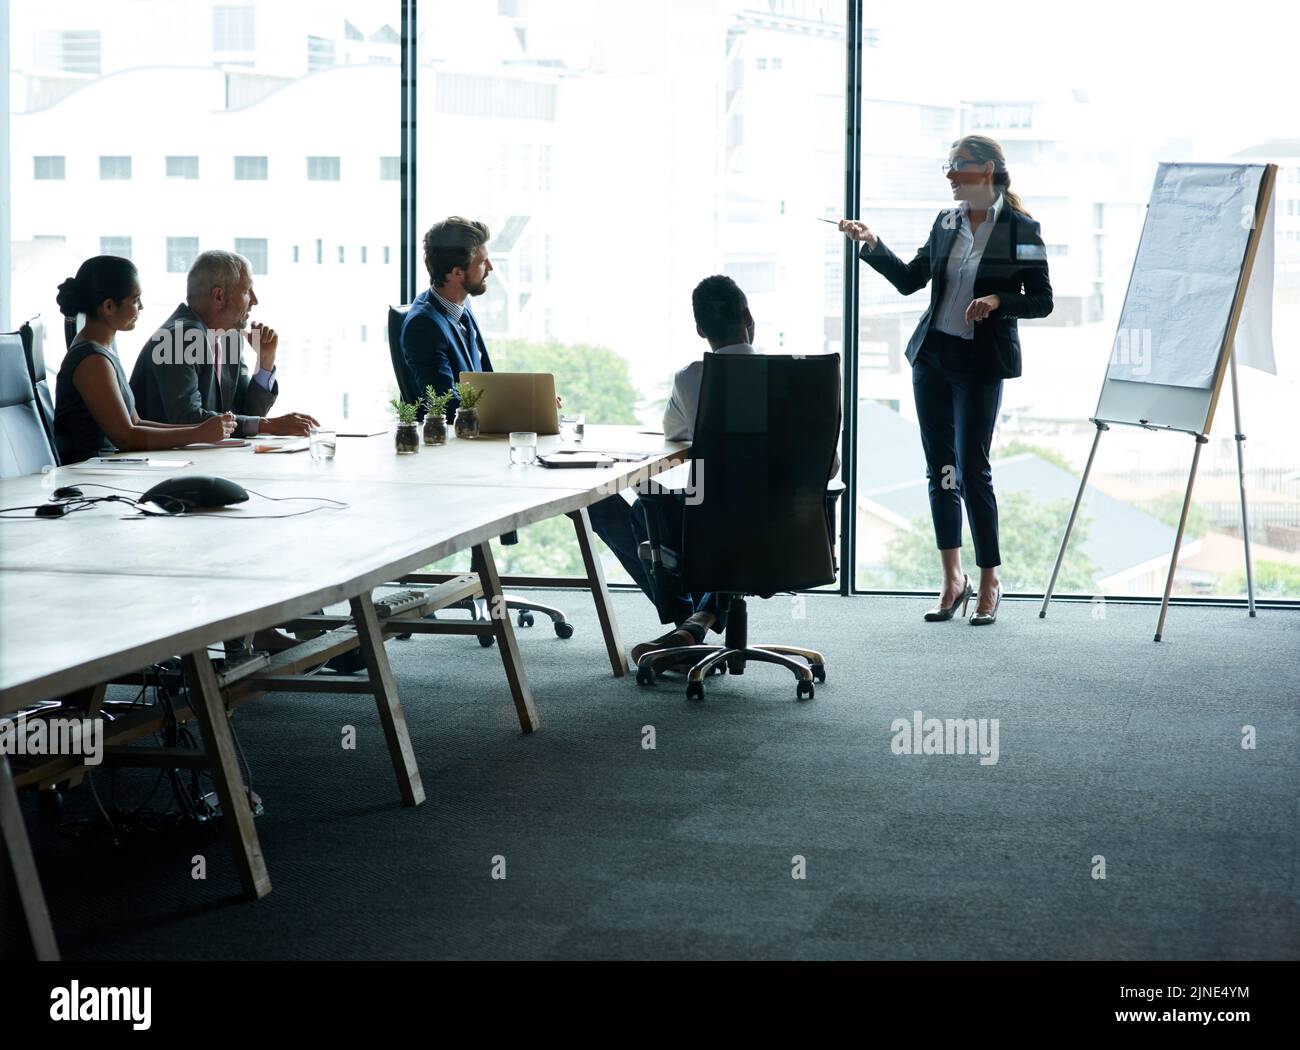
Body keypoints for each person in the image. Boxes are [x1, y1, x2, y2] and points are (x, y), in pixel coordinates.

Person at [840, 133, 1053, 626]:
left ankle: (990, 580)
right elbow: (911, 278)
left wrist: (999, 301)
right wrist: (871, 243)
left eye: (958, 166)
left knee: (971, 469)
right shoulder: (946, 221)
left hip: (979, 363)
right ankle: (952, 579)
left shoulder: (1021, 228)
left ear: (986, 170)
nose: (950, 175)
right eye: (948, 166)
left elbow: (1041, 300)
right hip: (932, 357)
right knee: (941, 470)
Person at [402, 216, 652, 593]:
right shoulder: (425, 324)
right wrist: (521, 409)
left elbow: (481, 384)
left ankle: (683, 607)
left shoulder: (458, 311)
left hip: (495, 447)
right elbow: (448, 406)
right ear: (456, 272)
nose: (490, 267)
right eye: (481, 261)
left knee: (607, 486)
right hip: (468, 461)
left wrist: (529, 402)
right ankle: (683, 610)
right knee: (600, 498)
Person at [630, 275, 841, 665]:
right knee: (734, 518)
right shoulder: (800, 378)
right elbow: (831, 468)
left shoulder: (691, 378)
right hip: (794, 532)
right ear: (748, 316)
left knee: (644, 505)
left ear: (699, 330)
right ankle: (698, 621)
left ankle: (689, 623)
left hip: (715, 530)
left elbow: (674, 435)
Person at [52, 256, 236, 464]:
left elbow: (136, 422)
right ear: (109, 307)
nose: (141, 307)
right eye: (134, 300)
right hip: (89, 477)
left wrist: (200, 430)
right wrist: (197, 435)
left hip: (107, 468)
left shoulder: (105, 348)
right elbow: (126, 437)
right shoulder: (92, 360)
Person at [129, 249, 317, 438]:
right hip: (165, 462)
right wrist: (270, 425)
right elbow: (187, 419)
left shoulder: (231, 338)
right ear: (219, 296)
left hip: (202, 460)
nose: (255, 300)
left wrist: (265, 361)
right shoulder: (181, 336)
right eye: (247, 291)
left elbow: (247, 415)